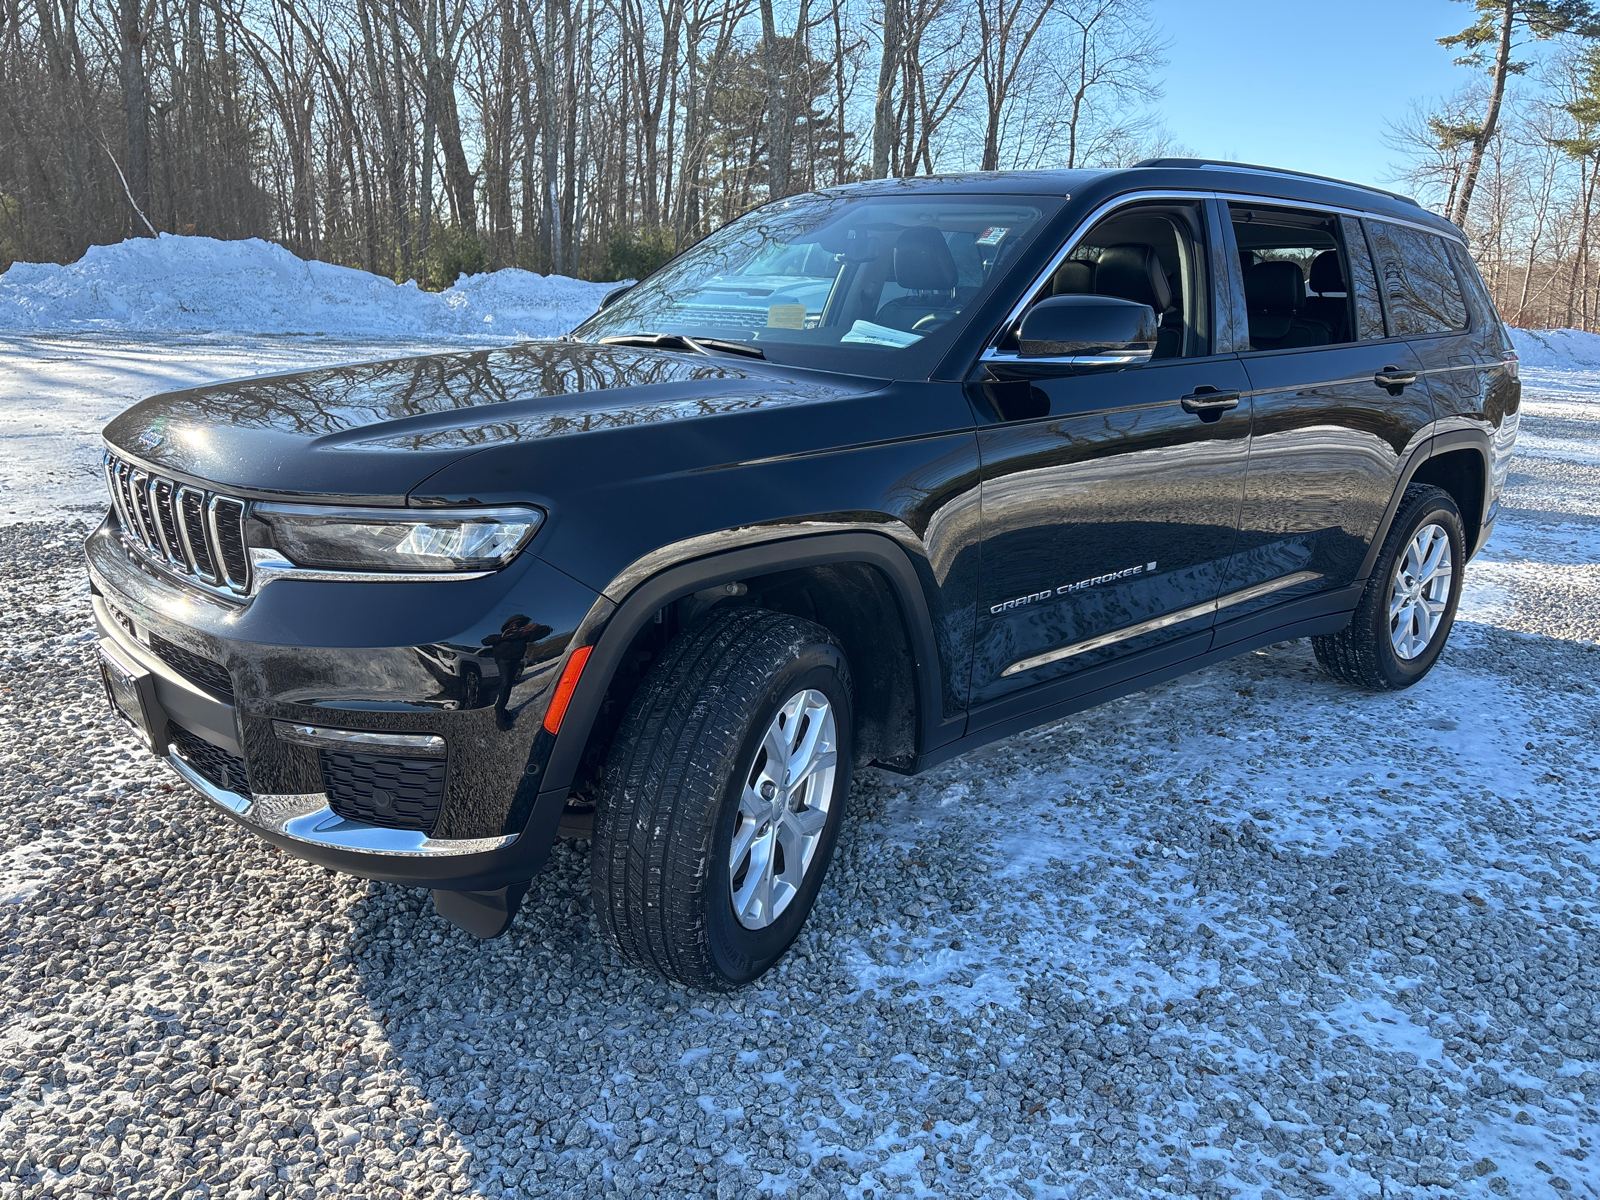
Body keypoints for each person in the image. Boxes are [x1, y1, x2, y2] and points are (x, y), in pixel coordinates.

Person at [480, 614, 550, 729]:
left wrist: (537, 627)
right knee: (505, 682)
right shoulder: (499, 636)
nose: (515, 627)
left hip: (516, 660)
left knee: (508, 684)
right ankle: (499, 712)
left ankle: (501, 709)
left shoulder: (523, 634)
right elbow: (485, 641)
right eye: (513, 625)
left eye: (519, 625)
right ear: (508, 626)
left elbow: (545, 632)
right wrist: (503, 637)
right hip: (503, 660)